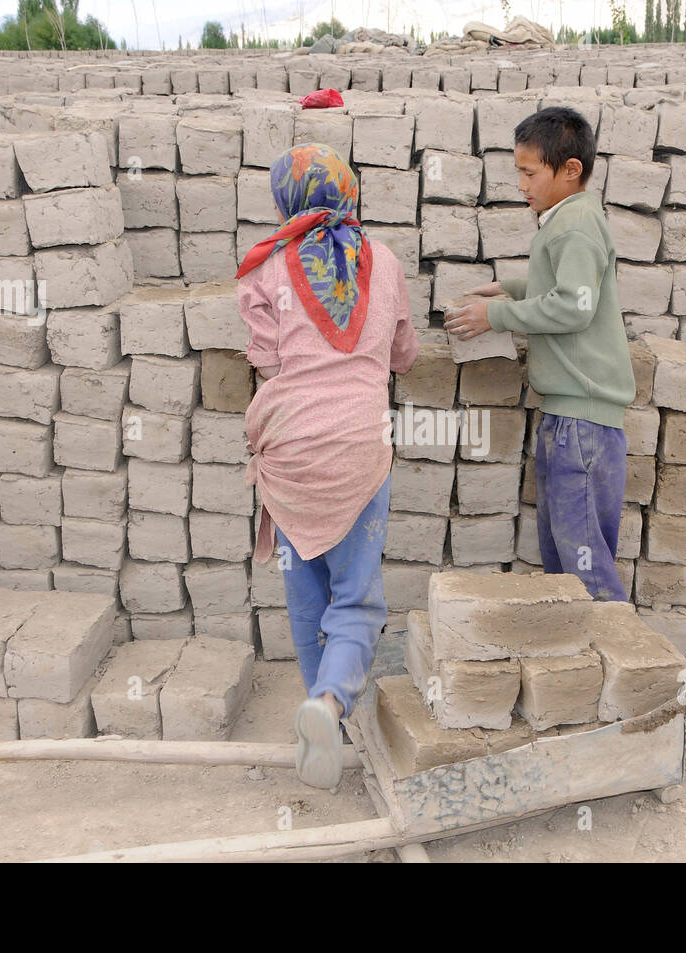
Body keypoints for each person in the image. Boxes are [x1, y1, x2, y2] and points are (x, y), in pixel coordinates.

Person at [237, 143, 418, 789]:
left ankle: (322, 715)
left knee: (306, 595)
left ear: (285, 198)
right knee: (356, 600)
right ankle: (330, 703)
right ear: (349, 191)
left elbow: (265, 361)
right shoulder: (387, 262)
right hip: (356, 452)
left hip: (289, 455)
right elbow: (404, 353)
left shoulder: (267, 269)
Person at [445, 106, 635, 601]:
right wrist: (509, 288)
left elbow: (575, 305)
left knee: (583, 565)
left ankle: (624, 664)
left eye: (529, 173)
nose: (522, 185)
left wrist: (497, 316)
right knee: (564, 560)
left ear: (570, 170)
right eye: (519, 173)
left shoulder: (574, 224)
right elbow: (562, 283)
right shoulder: (565, 220)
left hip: (583, 422)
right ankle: (578, 666)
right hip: (567, 416)